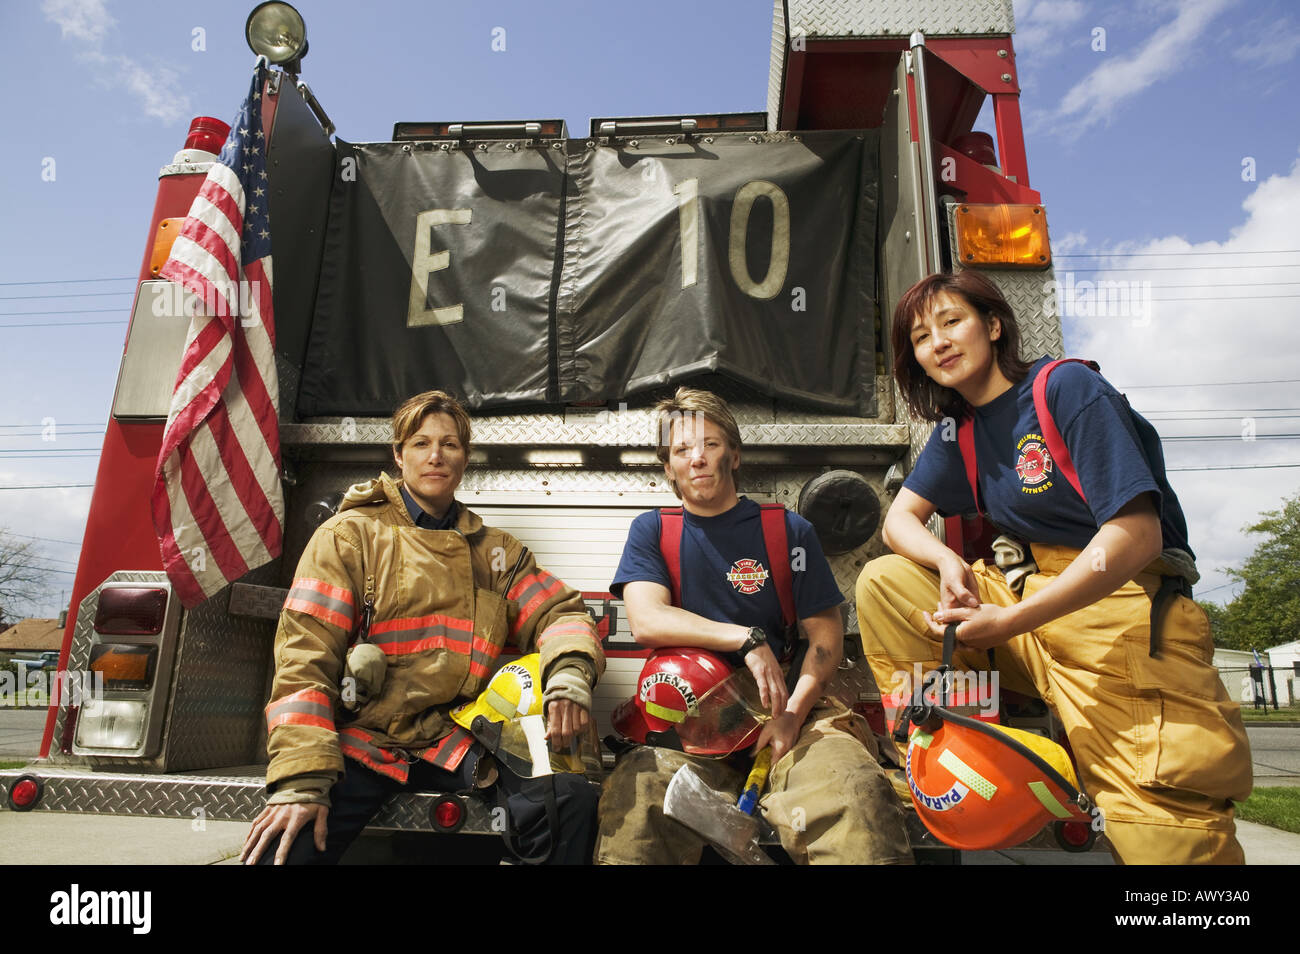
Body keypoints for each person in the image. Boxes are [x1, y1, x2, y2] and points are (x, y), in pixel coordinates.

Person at [855, 270, 1252, 864]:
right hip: (1027, 599)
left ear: (993, 326)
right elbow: (898, 523)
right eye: (919, 337)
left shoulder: (1064, 388)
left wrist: (1010, 622)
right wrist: (944, 560)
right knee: (886, 582)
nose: (936, 342)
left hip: (1117, 607)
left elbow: (1136, 535)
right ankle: (949, 744)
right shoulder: (958, 427)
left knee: (1165, 830)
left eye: (951, 322)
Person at [241, 389, 605, 865]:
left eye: (450, 445)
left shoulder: (495, 554)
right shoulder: (349, 537)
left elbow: (561, 614)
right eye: (420, 443)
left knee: (570, 803)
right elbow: (304, 663)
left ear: (465, 457)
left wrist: (568, 677)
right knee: (287, 847)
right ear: (398, 454)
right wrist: (301, 779)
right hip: (366, 741)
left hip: (459, 738)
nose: (435, 456)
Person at [594, 387, 912, 865]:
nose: (697, 458)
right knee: (637, 802)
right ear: (667, 467)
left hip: (789, 709)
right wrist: (746, 639)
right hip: (691, 726)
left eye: (711, 444)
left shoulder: (789, 531)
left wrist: (792, 714)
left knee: (856, 792)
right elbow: (647, 620)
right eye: (682, 449)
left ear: (735, 455)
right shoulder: (653, 531)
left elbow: (824, 639)